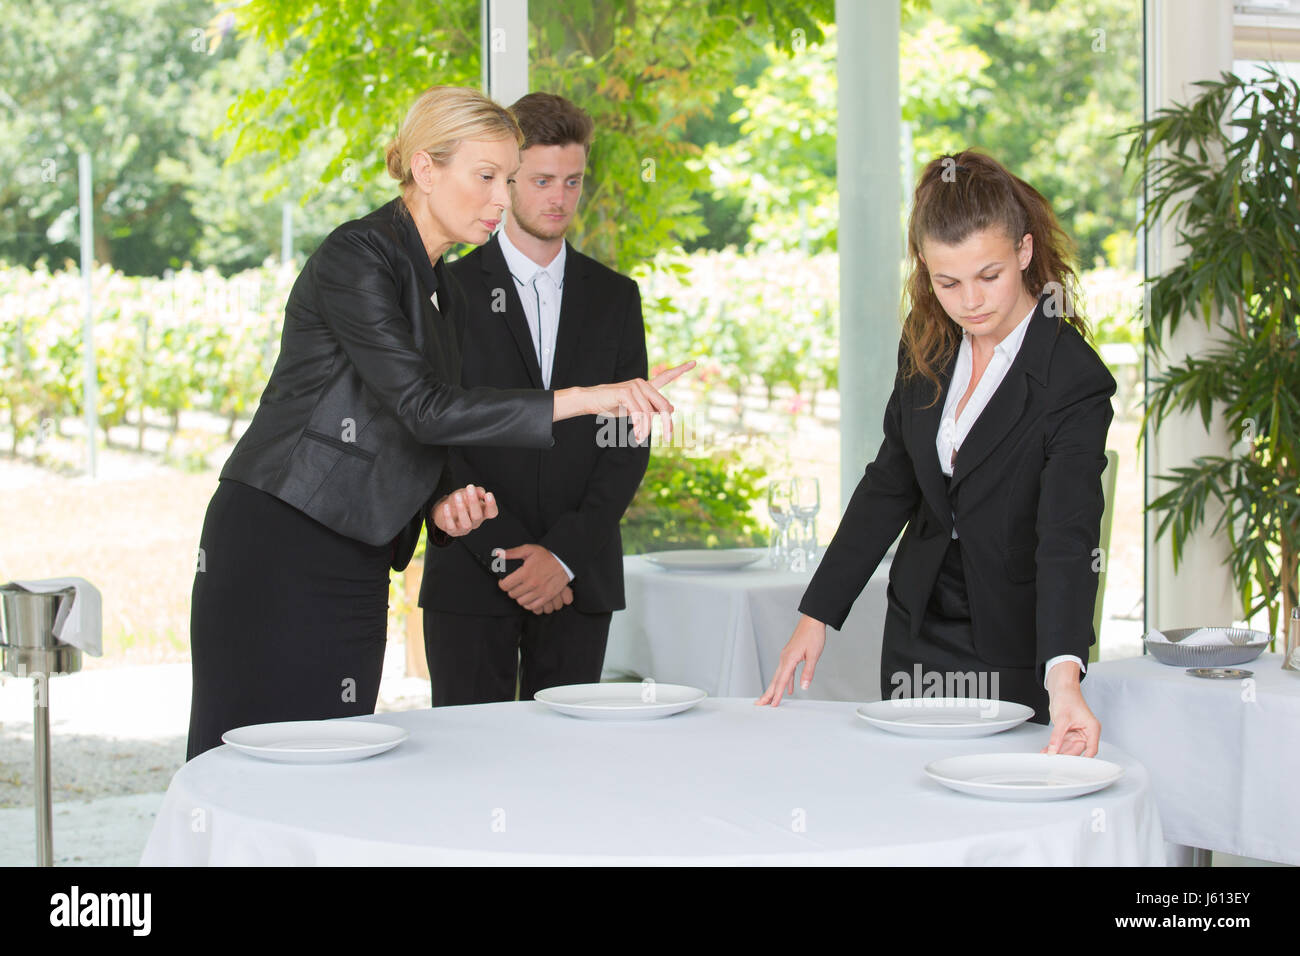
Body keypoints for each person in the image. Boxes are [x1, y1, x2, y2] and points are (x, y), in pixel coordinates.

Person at [185, 86, 691, 760]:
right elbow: (424, 404)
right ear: (425, 168)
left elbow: (411, 428)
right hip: (282, 540)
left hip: (356, 550)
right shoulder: (357, 257)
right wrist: (585, 397)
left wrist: (442, 499)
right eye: (486, 178)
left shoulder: (436, 280)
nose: (501, 201)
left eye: (508, 181)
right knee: (245, 755)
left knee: (332, 754)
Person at [757, 150, 1115, 759]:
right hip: (917, 627)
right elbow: (889, 483)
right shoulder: (927, 343)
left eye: (989, 275)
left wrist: (1064, 678)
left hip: (1014, 640)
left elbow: (1067, 535)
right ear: (926, 270)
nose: (970, 301)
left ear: (1025, 252)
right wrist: (816, 615)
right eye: (947, 282)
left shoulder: (1073, 378)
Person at [419, 92, 649, 705]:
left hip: (579, 579)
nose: (559, 198)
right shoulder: (448, 289)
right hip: (470, 577)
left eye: (573, 182)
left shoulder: (616, 298)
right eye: (542, 180)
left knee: (569, 778)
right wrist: (512, 559)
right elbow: (438, 435)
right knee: (467, 773)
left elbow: (625, 442)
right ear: (509, 178)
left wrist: (562, 557)